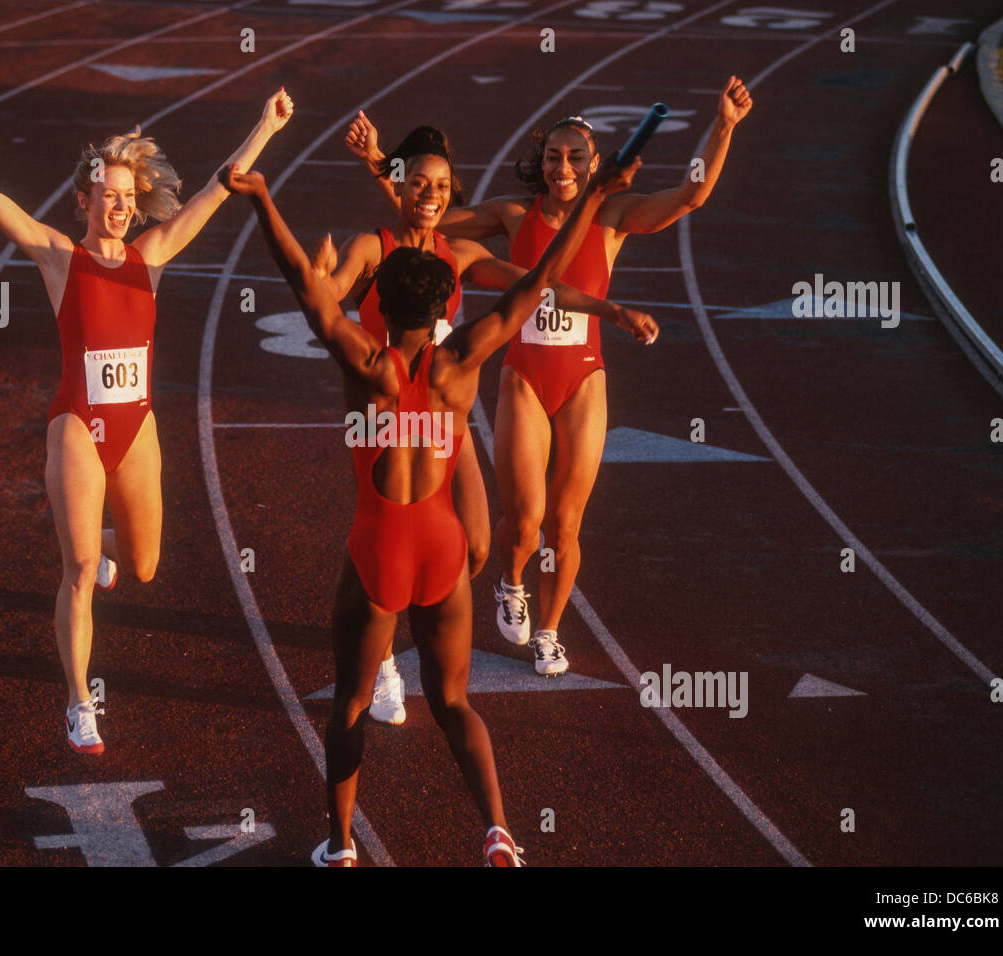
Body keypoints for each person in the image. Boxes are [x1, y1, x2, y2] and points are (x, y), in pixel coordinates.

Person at [220, 142, 637, 865]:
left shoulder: (369, 363)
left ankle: (343, 845)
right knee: (454, 704)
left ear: (385, 302)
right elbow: (538, 281)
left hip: (381, 545)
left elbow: (305, 287)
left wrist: (262, 200)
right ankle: (500, 830)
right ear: (444, 302)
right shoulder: (462, 362)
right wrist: (593, 199)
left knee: (349, 703)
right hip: (444, 548)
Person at [0, 88, 293, 753]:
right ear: (84, 201)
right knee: (78, 569)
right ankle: (82, 700)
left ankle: (104, 550)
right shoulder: (59, 256)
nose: (119, 205)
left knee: (142, 566)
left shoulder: (152, 255)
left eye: (127, 196)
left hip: (137, 430)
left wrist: (266, 124)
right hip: (76, 425)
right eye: (107, 194)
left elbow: (217, 193)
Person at [347, 77, 751, 675]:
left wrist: (723, 127)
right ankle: (511, 581)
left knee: (566, 524)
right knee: (527, 519)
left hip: (585, 376)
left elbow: (689, 196)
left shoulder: (613, 218)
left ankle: (552, 629)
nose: (563, 167)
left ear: (594, 167)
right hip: (525, 377)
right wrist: (383, 163)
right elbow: (429, 218)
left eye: (576, 158)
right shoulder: (512, 216)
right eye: (554, 156)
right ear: (541, 162)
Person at [327, 126, 652, 720]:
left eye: (442, 186)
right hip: (383, 414)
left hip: (445, 413)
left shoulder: (461, 254)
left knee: (476, 545)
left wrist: (613, 309)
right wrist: (324, 286)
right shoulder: (373, 248)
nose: (429, 193)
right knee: (386, 538)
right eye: (418, 183)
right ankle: (384, 666)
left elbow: (538, 287)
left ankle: (410, 623)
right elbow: (331, 293)